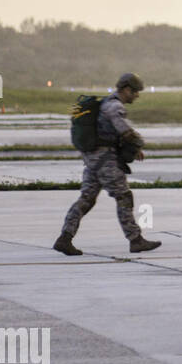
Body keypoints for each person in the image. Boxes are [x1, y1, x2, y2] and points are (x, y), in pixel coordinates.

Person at [55, 73, 161, 255]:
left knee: (86, 199)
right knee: (124, 197)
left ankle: (65, 238)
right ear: (126, 89)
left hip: (93, 160)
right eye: (135, 92)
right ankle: (136, 240)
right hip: (105, 160)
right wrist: (139, 144)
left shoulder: (106, 103)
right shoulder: (115, 106)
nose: (136, 96)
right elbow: (125, 131)